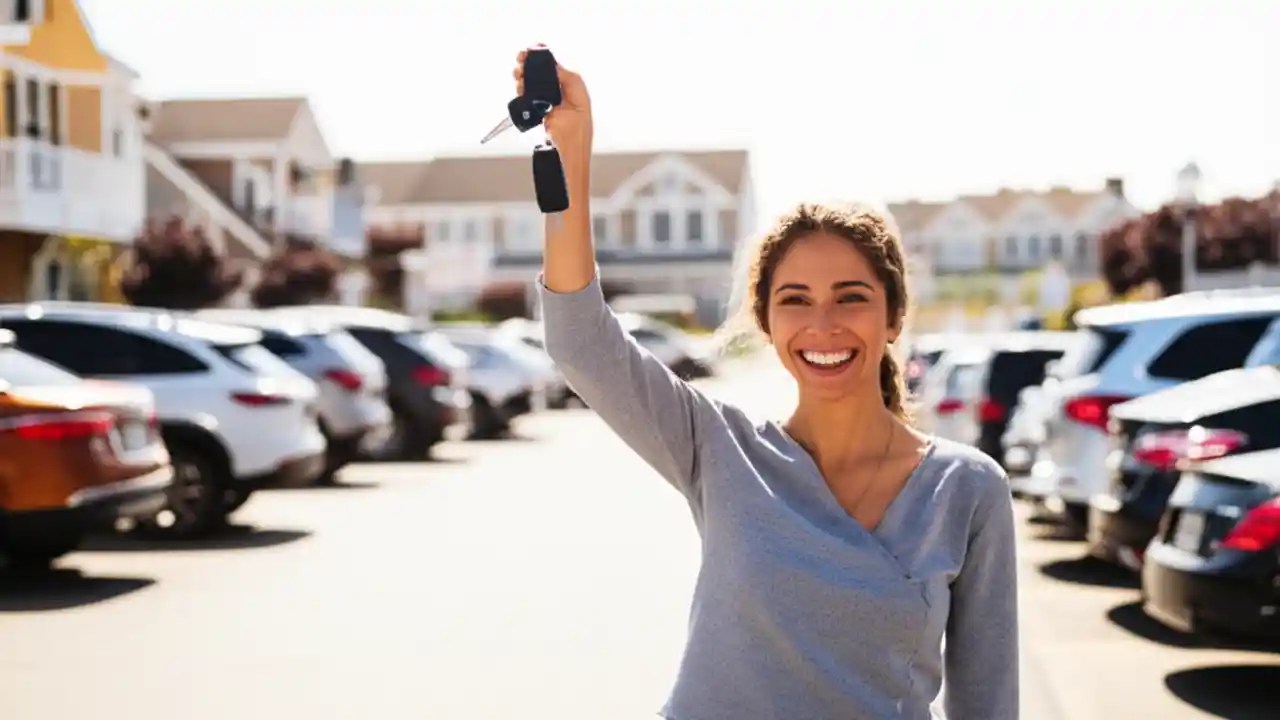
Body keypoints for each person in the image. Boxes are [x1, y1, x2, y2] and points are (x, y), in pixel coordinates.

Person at [518, 48, 1019, 720]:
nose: (824, 325)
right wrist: (571, 152)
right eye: (795, 300)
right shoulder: (719, 451)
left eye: (850, 297)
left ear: (895, 315)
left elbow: (987, 704)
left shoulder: (968, 489)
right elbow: (580, 340)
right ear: (766, 321)